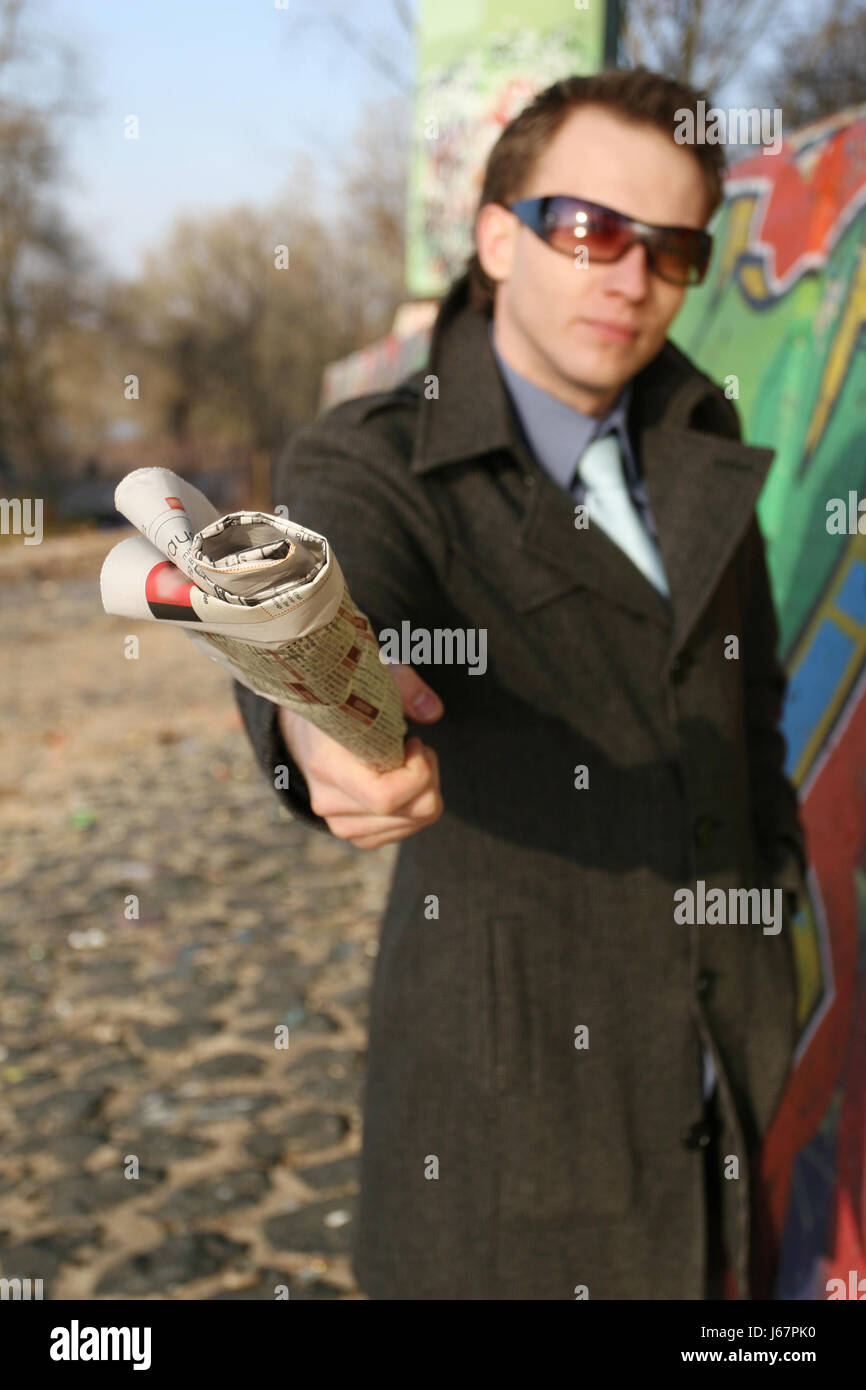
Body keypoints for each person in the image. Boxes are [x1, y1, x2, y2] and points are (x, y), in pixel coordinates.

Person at [234, 66, 807, 1301]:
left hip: (729, 1082)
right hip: (513, 1131)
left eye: (671, 248)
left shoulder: (702, 448)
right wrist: (325, 711)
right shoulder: (383, 455)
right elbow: (332, 588)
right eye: (588, 227)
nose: (627, 274)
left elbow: (746, 705)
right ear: (497, 237)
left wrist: (774, 908)